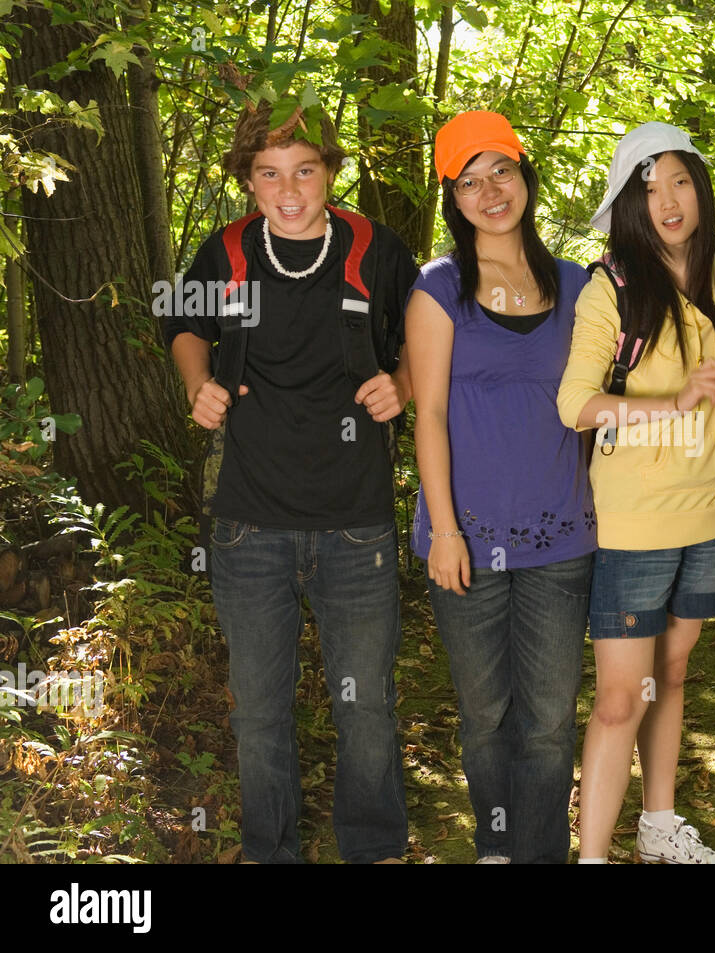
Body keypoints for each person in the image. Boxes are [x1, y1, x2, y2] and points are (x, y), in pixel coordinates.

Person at [166, 97, 416, 863]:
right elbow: (182, 322)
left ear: (331, 173)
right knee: (262, 713)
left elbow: (424, 340)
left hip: (357, 520)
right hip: (248, 525)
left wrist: (401, 382)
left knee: (366, 707)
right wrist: (196, 381)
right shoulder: (226, 251)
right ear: (248, 180)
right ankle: (272, 850)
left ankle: (373, 847)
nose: (289, 189)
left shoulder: (378, 249)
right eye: (269, 173)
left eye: (305, 170)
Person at [406, 111, 596, 864]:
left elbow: (602, 402)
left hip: (561, 538)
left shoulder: (579, 287)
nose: (490, 192)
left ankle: (541, 852)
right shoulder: (438, 288)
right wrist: (446, 529)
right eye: (469, 181)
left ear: (526, 178)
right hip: (466, 539)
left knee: (548, 717)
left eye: (502, 172)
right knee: (485, 712)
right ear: (453, 197)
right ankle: (496, 840)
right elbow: (426, 416)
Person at [558, 122, 715, 864]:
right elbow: (574, 403)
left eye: (679, 181)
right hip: (634, 523)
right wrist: (670, 405)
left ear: (699, 186)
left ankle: (659, 824)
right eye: (648, 186)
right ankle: (593, 855)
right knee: (620, 699)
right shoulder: (612, 288)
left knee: (673, 673)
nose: (667, 199)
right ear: (629, 202)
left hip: (710, 515)